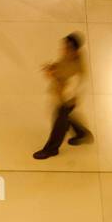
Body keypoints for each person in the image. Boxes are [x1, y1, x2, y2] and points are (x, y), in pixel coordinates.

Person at [33, 32, 94, 160]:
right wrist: (53, 67)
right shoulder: (69, 56)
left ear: (74, 50)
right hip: (62, 98)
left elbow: (67, 94)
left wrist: (53, 75)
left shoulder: (77, 71)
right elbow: (62, 65)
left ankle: (51, 149)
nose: (63, 50)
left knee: (59, 124)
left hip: (67, 102)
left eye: (66, 48)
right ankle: (83, 134)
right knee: (68, 119)